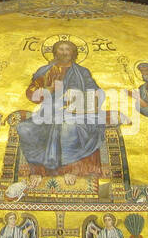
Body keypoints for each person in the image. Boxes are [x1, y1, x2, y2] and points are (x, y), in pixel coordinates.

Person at [16, 39, 106, 184]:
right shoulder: (45, 71)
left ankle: (71, 169)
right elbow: (31, 93)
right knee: (25, 128)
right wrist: (48, 90)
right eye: (61, 49)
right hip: (49, 113)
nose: (64, 52)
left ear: (73, 53)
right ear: (55, 53)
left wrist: (87, 99)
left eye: (67, 49)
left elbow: (95, 91)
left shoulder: (82, 72)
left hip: (76, 113)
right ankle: (38, 170)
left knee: (67, 127)